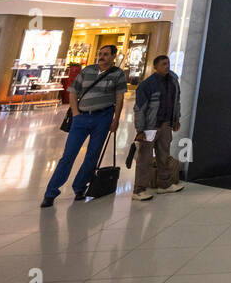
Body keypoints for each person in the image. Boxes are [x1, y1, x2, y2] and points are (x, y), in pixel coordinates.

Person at [41, 44, 126, 207]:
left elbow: (119, 97)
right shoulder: (87, 71)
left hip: (103, 117)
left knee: (93, 155)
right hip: (82, 118)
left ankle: (80, 187)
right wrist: (76, 113)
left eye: (106, 54)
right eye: (100, 53)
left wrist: (116, 119)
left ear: (114, 57)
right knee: (68, 156)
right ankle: (51, 192)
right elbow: (73, 92)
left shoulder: (118, 74)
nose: (102, 56)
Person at [132, 55, 184, 200]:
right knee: (145, 158)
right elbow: (140, 108)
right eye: (163, 64)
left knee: (163, 155)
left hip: (166, 124)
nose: (167, 66)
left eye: (168, 63)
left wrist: (176, 119)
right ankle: (139, 189)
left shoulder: (173, 82)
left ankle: (164, 185)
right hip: (150, 127)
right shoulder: (147, 85)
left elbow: (176, 102)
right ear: (155, 67)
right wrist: (140, 130)